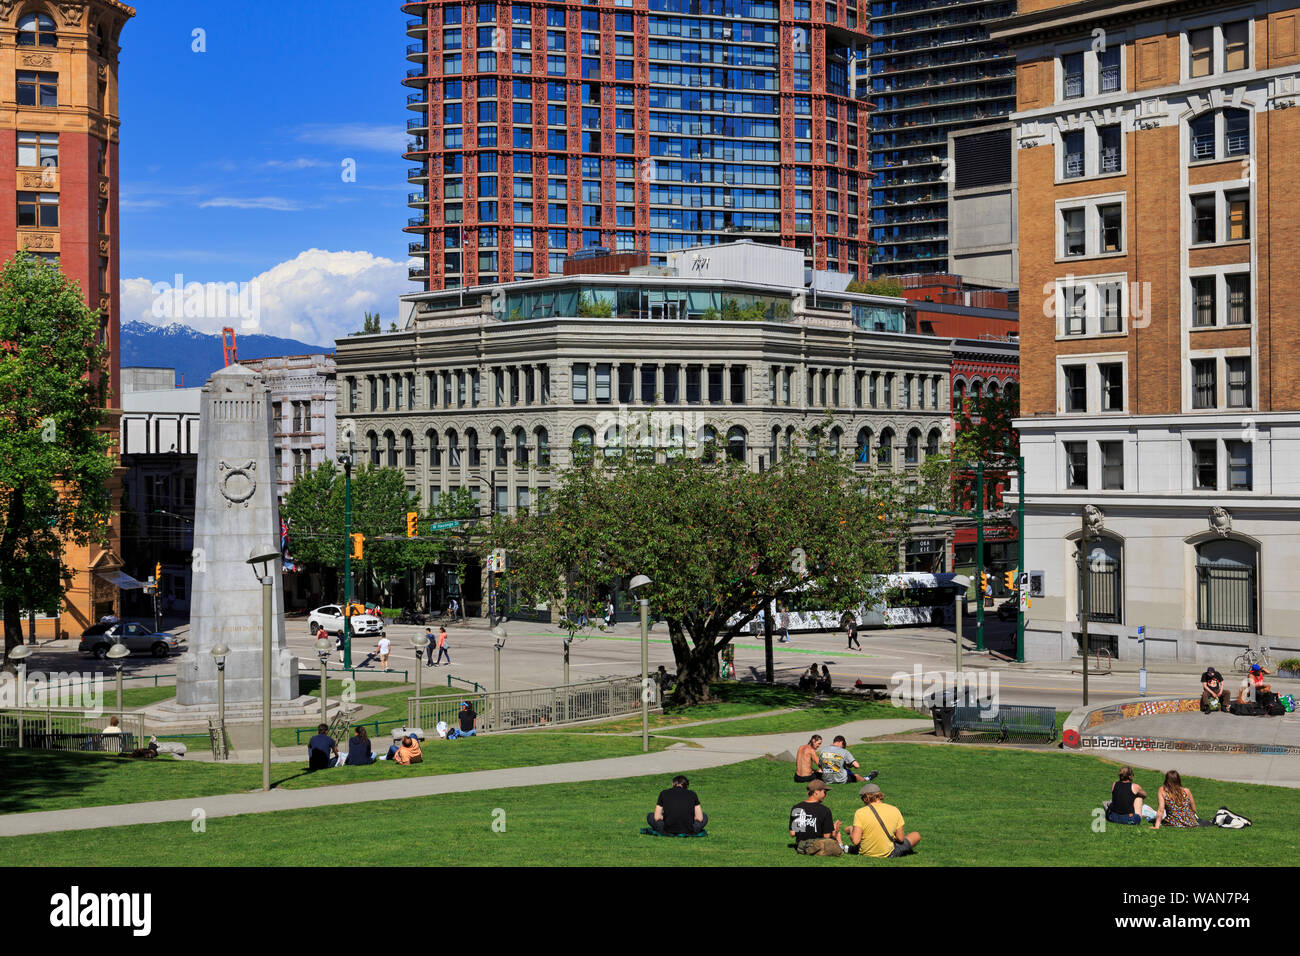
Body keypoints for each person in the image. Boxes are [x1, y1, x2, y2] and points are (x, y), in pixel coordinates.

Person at [850, 783, 920, 858]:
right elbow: (901, 838)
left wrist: (851, 830)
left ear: (866, 797)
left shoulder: (860, 812)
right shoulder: (894, 810)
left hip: (866, 853)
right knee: (916, 835)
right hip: (889, 853)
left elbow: (856, 841)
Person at [790, 779, 843, 855]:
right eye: (824, 792)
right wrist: (834, 831)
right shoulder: (825, 810)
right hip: (818, 844)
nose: (825, 795)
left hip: (800, 846)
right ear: (816, 792)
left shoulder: (797, 808)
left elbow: (792, 833)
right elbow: (826, 836)